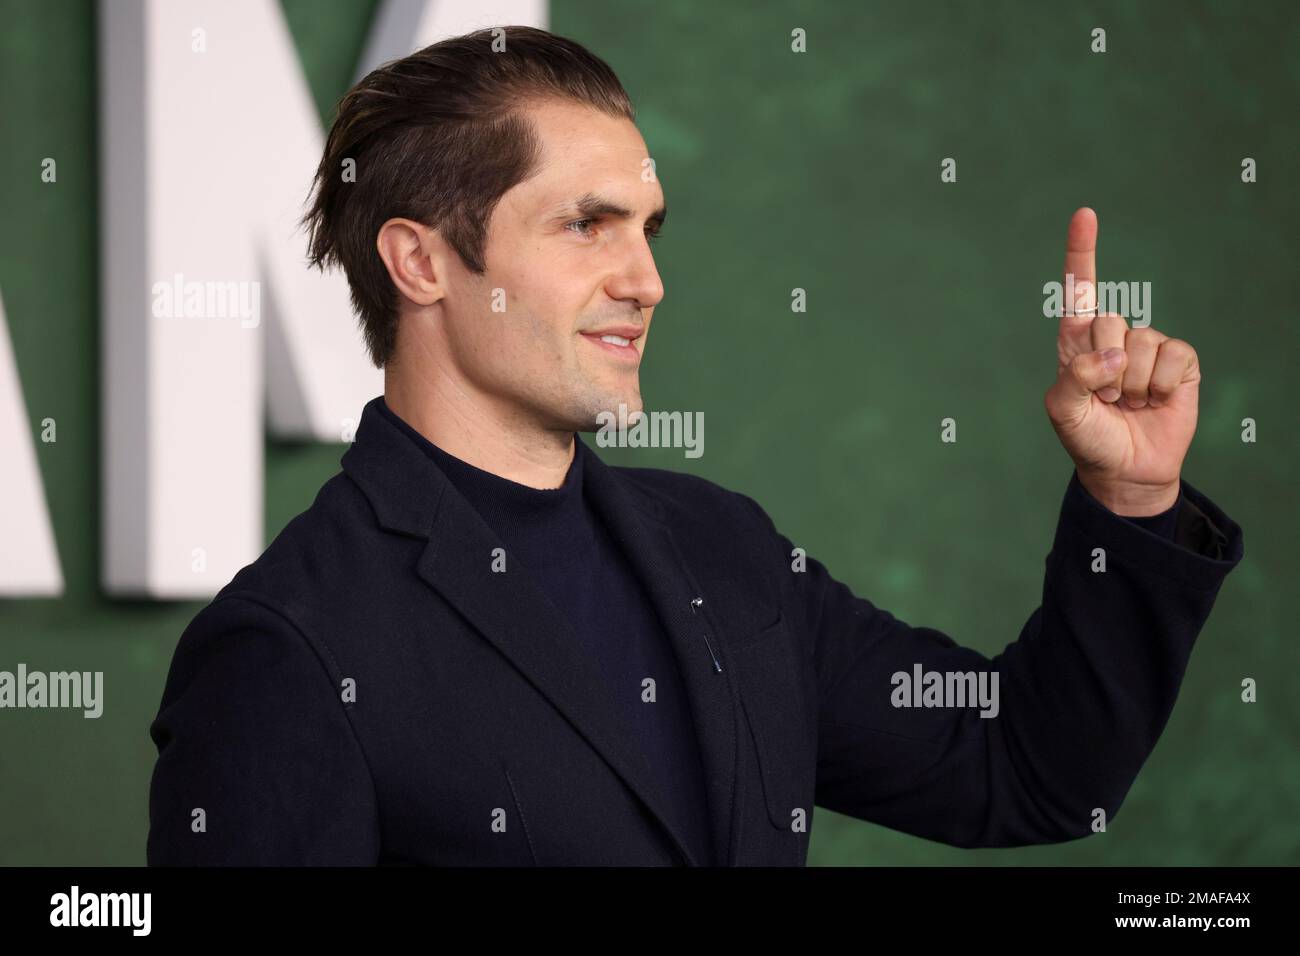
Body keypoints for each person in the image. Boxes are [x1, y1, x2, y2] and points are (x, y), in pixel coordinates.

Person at [146, 25, 1242, 866]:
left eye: (646, 227)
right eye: (587, 225)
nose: (646, 280)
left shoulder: (725, 549)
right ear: (422, 263)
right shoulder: (289, 648)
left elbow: (1026, 770)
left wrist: (1128, 498)